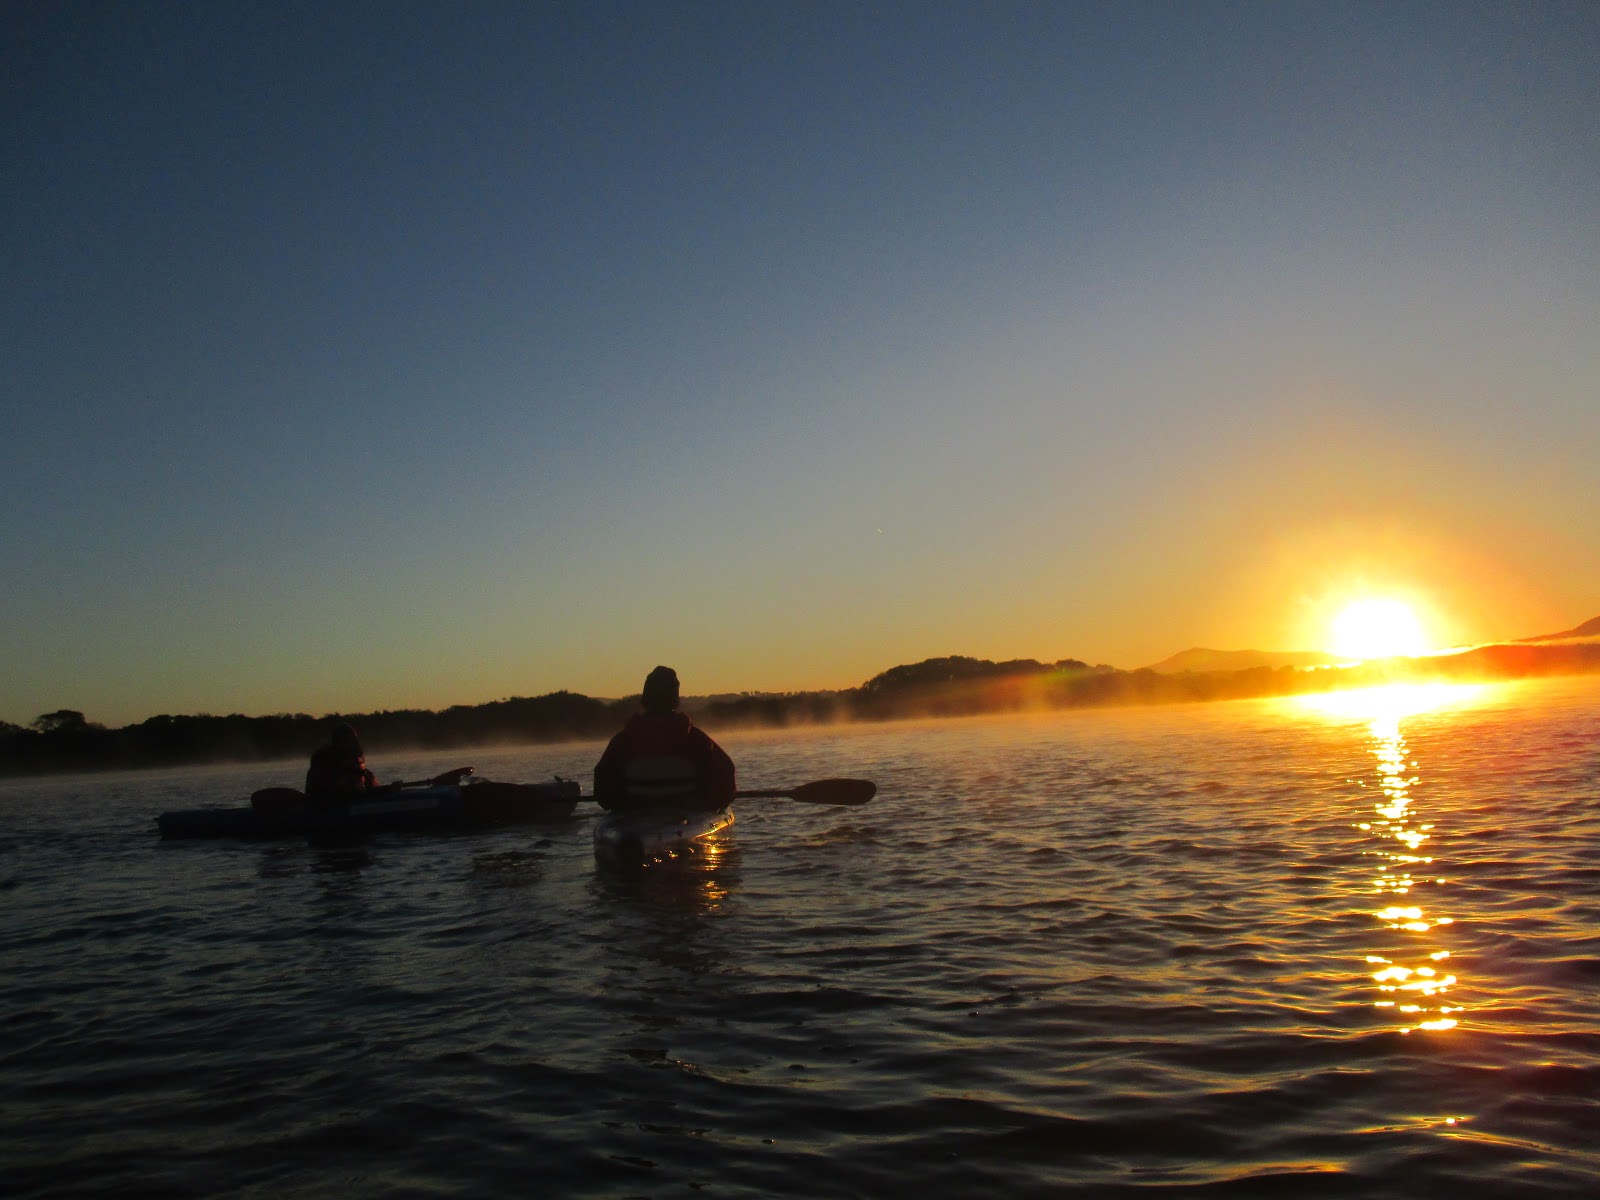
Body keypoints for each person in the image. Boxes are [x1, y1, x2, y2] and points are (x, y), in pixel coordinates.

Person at [593, 666, 735, 812]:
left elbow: (603, 793)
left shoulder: (621, 741)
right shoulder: (697, 739)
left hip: (633, 815)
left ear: (645, 698)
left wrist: (619, 806)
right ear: (675, 699)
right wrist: (710, 805)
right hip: (686, 813)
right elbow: (726, 784)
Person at [305, 722, 379, 806]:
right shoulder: (322, 765)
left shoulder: (358, 767)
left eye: (352, 742)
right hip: (327, 811)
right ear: (336, 744)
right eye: (344, 742)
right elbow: (321, 796)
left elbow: (374, 789)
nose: (349, 746)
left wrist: (391, 788)